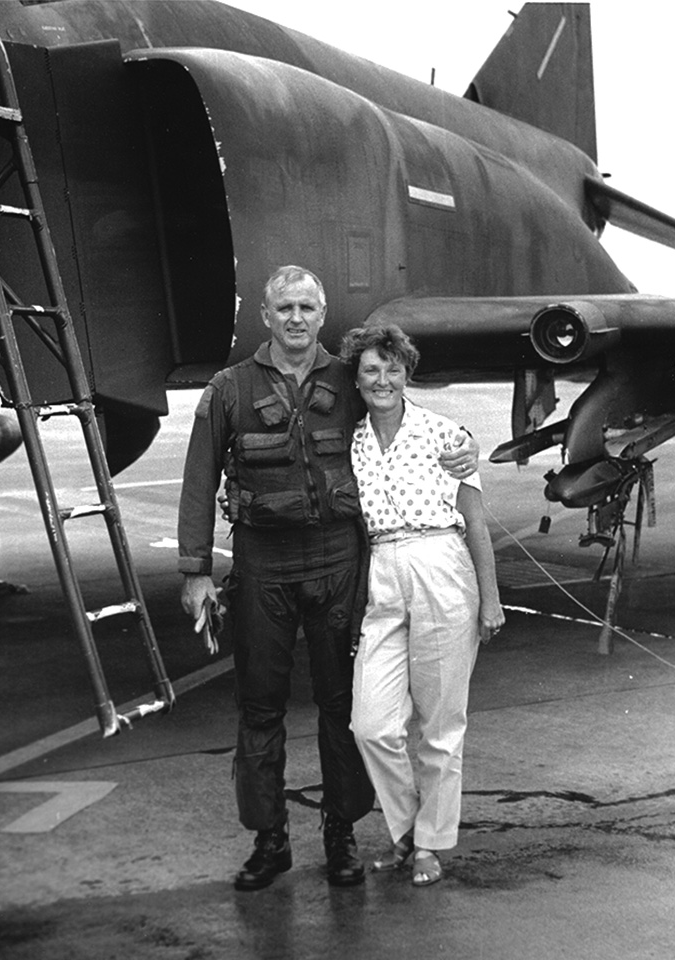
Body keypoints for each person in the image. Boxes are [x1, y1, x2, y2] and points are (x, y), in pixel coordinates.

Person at [178, 266, 479, 891]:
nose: (295, 317)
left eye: (307, 307)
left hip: (338, 565)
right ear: (264, 314)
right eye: (283, 306)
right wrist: (195, 571)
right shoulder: (229, 389)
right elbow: (199, 479)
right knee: (259, 707)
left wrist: (466, 446)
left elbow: (408, 410)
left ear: (323, 315)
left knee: (344, 708)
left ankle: (340, 835)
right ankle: (270, 840)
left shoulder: (350, 378)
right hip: (263, 566)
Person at [340, 323, 504, 887]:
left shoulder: (445, 434)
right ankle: (406, 827)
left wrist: (491, 598)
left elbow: (475, 519)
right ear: (356, 379)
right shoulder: (352, 441)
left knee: (440, 723)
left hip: (441, 561)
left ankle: (429, 843)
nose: (382, 379)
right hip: (382, 570)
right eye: (370, 370)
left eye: (392, 368)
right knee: (371, 724)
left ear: (408, 373)